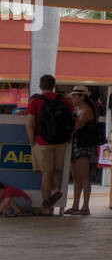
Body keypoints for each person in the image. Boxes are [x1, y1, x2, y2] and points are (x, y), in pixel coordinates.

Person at [24, 74, 75, 213]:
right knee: (56, 169)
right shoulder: (63, 99)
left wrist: (32, 141)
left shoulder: (35, 101)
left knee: (46, 172)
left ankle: (47, 207)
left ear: (40, 86)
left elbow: (29, 123)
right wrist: (69, 136)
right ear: (53, 85)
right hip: (61, 141)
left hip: (43, 141)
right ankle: (56, 189)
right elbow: (72, 119)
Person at [66, 85, 100, 215]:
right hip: (76, 144)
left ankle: (85, 207)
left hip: (83, 145)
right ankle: (75, 205)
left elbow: (77, 126)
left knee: (84, 176)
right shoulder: (77, 109)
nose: (73, 98)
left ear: (82, 97)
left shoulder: (86, 110)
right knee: (76, 177)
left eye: (75, 95)